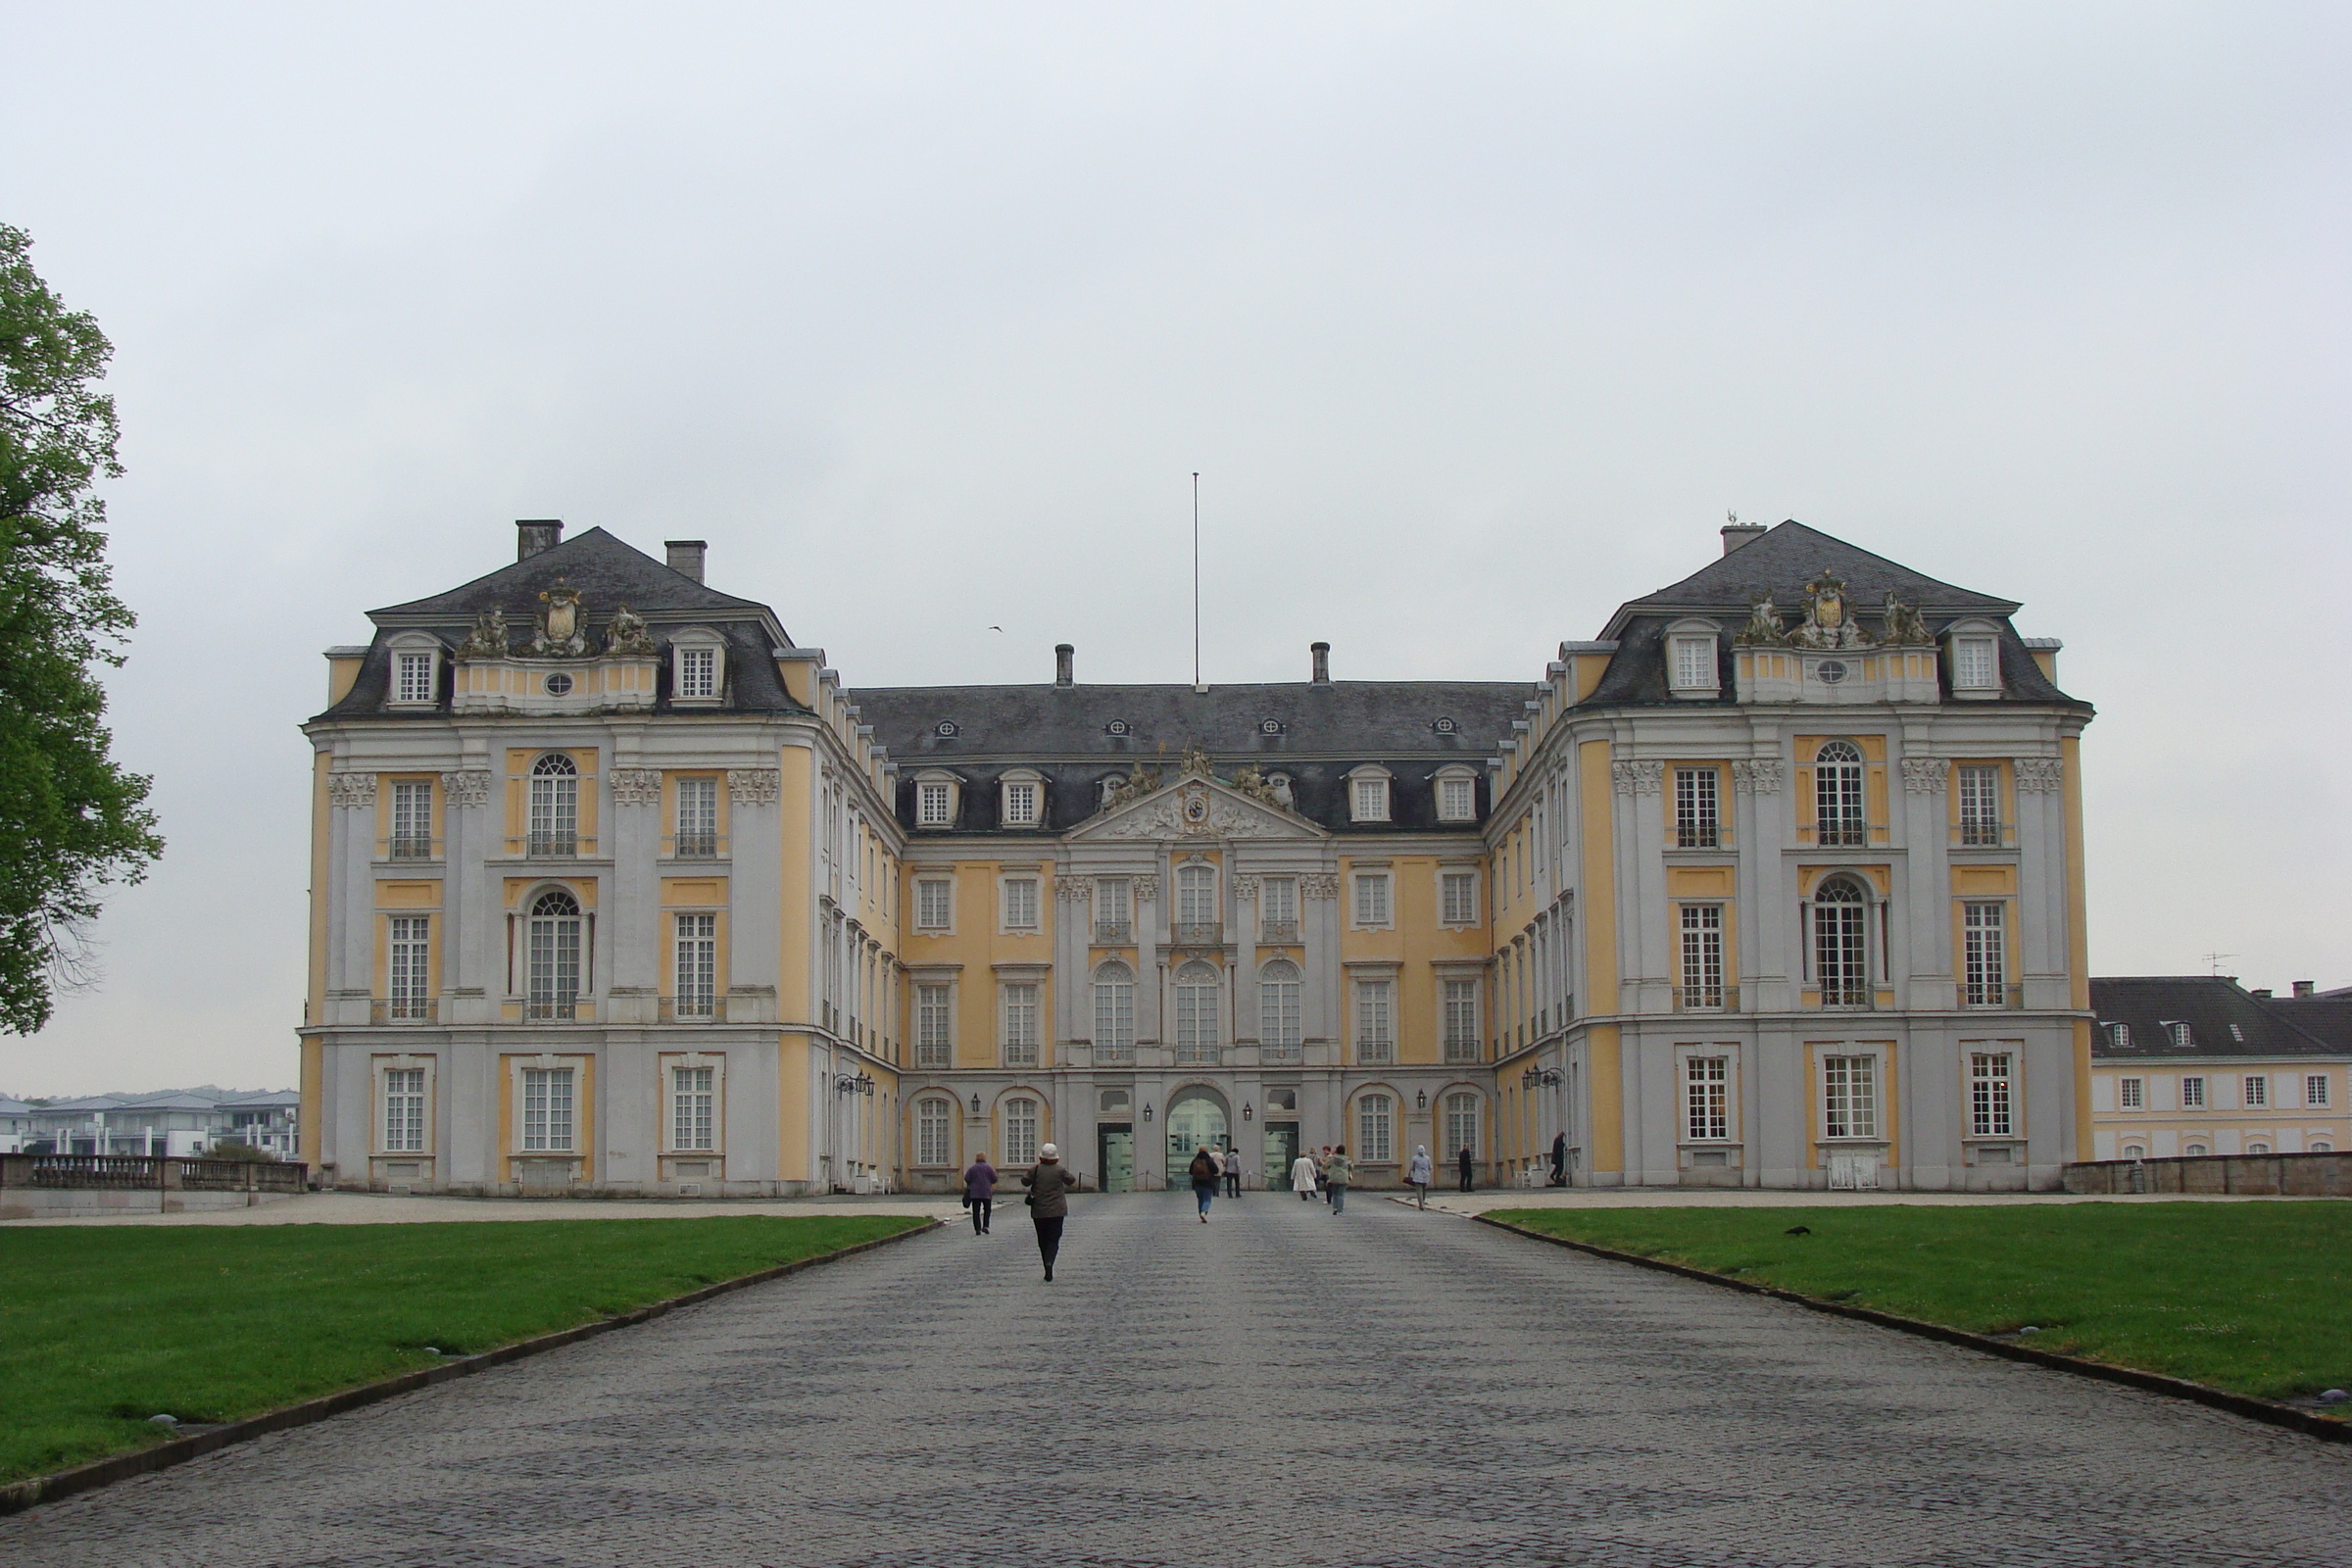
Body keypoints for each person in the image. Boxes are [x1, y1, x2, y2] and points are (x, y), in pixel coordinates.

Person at [1022, 1143, 1077, 1281]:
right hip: (1057, 1211)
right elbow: (1071, 1181)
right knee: (1054, 1239)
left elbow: (1025, 1181)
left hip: (1039, 1211)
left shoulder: (1035, 1169)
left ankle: (1046, 1265)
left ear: (1041, 1157)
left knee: (1042, 1239)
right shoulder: (1060, 1170)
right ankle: (1050, 1262)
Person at [961, 1152, 997, 1236]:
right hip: (986, 1192)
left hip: (975, 1193)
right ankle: (985, 1226)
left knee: (976, 1211)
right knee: (987, 1210)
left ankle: (977, 1229)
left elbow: (967, 1178)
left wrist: (972, 1183)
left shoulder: (972, 1168)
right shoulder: (989, 1168)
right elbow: (995, 1178)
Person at [1188, 1144, 1221, 1221]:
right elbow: (1216, 1170)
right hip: (1208, 1182)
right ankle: (1204, 1212)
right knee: (1207, 1199)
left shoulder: (1195, 1160)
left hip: (1197, 1183)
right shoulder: (1209, 1160)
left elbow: (1190, 1172)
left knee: (1200, 1199)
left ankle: (1201, 1214)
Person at [1324, 1144, 1352, 1213]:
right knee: (1341, 1194)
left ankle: (1335, 1208)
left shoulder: (1332, 1159)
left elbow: (1326, 1166)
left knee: (1335, 1194)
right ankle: (1340, 1210)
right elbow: (1351, 1167)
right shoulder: (1347, 1159)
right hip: (1343, 1178)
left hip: (1334, 1178)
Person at [1406, 1144, 1434, 1209]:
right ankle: (1423, 1202)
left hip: (1418, 1176)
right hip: (1425, 1176)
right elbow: (1430, 1167)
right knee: (1424, 1190)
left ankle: (1421, 1204)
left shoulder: (1415, 1158)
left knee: (1419, 1191)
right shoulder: (1427, 1158)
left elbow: (1413, 1168)